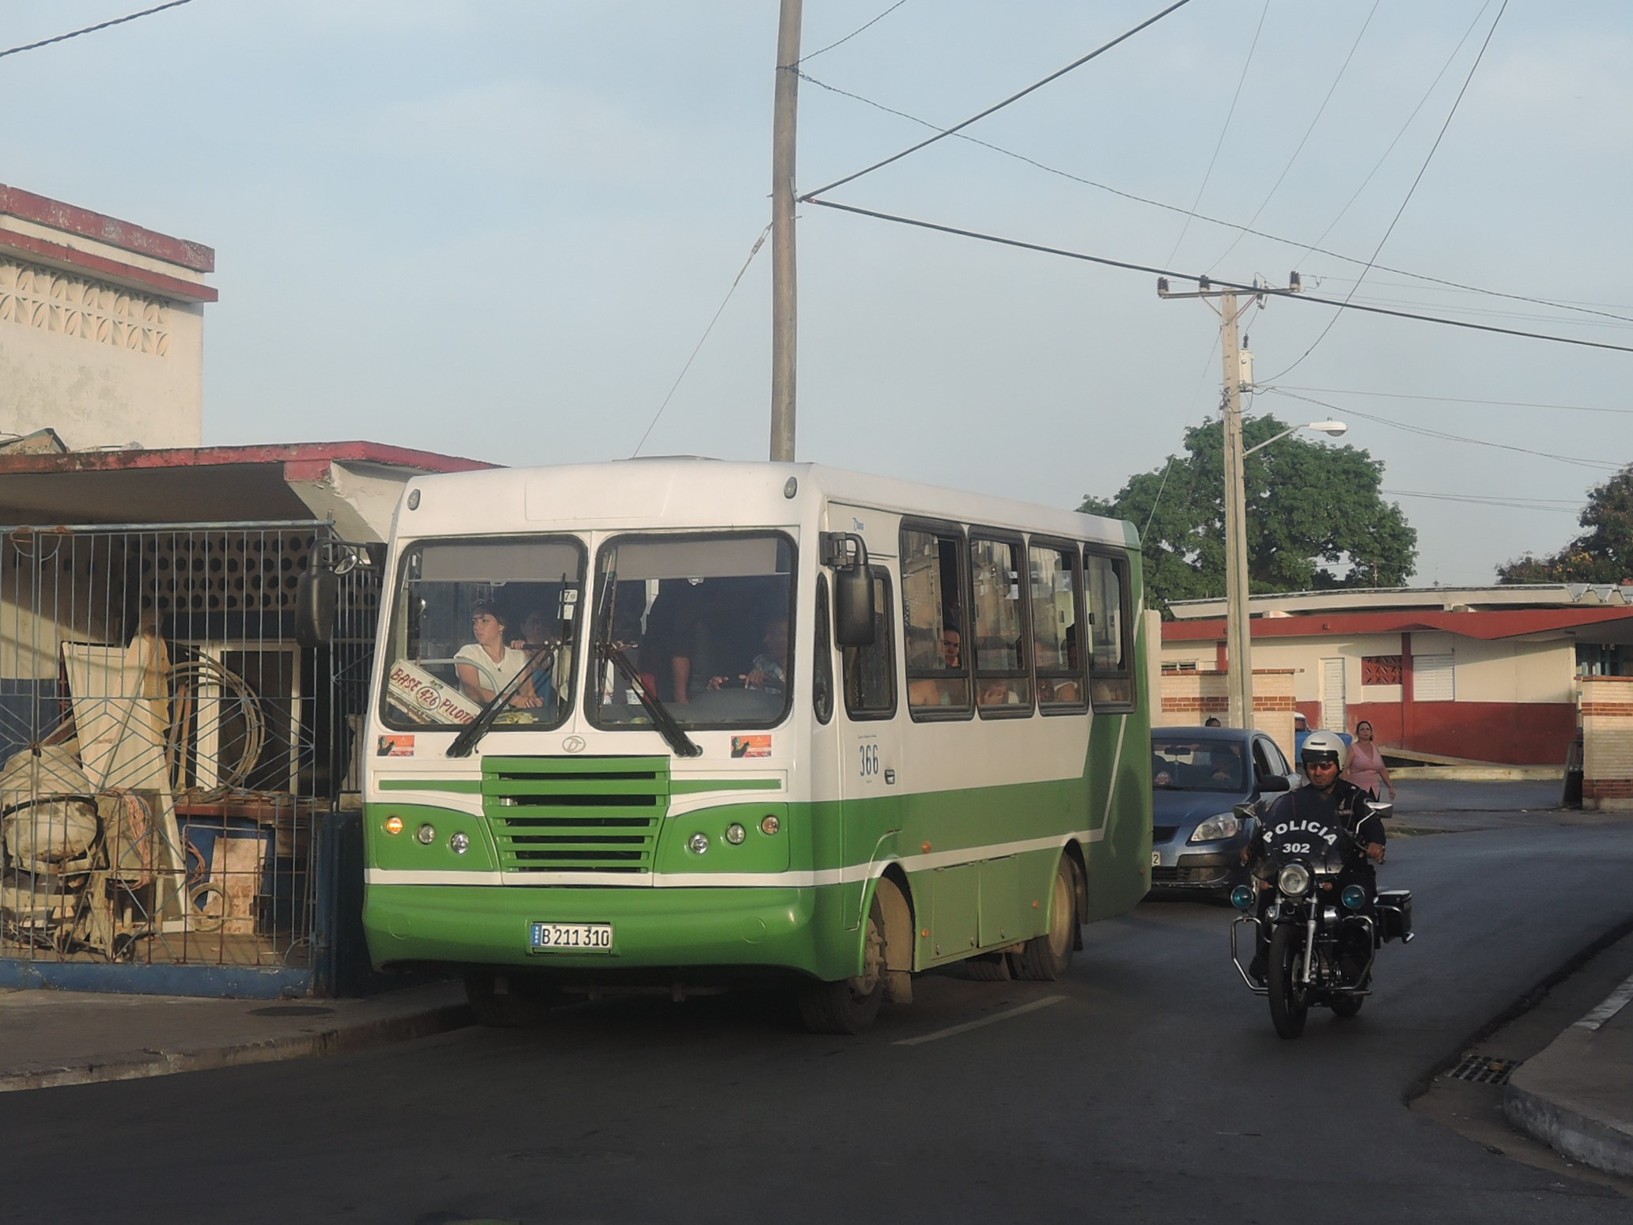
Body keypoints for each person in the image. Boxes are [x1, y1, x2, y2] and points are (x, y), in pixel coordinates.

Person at [1243, 730, 1386, 980]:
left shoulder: (1354, 798)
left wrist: (1375, 843)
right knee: (1269, 892)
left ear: (1338, 765)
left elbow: (1373, 824)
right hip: (1304, 869)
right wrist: (1252, 847)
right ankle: (1266, 954)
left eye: (1325, 766)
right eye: (1312, 766)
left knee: (1357, 895)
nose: (1318, 772)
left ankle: (1354, 957)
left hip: (1343, 869)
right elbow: (1272, 828)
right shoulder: (1294, 800)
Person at [455, 602, 541, 708]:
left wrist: (534, 702)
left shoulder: (519, 657)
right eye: (475, 621)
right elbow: (473, 693)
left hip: (507, 717)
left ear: (501, 626)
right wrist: (512, 700)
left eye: (484, 621)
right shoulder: (468, 653)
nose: (477, 627)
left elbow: (528, 693)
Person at [707, 615, 789, 693]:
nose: (766, 640)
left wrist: (776, 683)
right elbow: (742, 685)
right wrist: (721, 684)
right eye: (766, 634)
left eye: (774, 634)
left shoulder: (798, 670)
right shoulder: (761, 663)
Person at [1344, 720, 1396, 801]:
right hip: (1357, 790)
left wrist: (1390, 787)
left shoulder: (1375, 748)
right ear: (1357, 733)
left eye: (1367, 729)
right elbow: (1345, 768)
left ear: (1371, 733)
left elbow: (1382, 769)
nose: (1365, 731)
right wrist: (1345, 787)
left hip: (1374, 790)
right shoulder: (1352, 748)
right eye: (1362, 729)